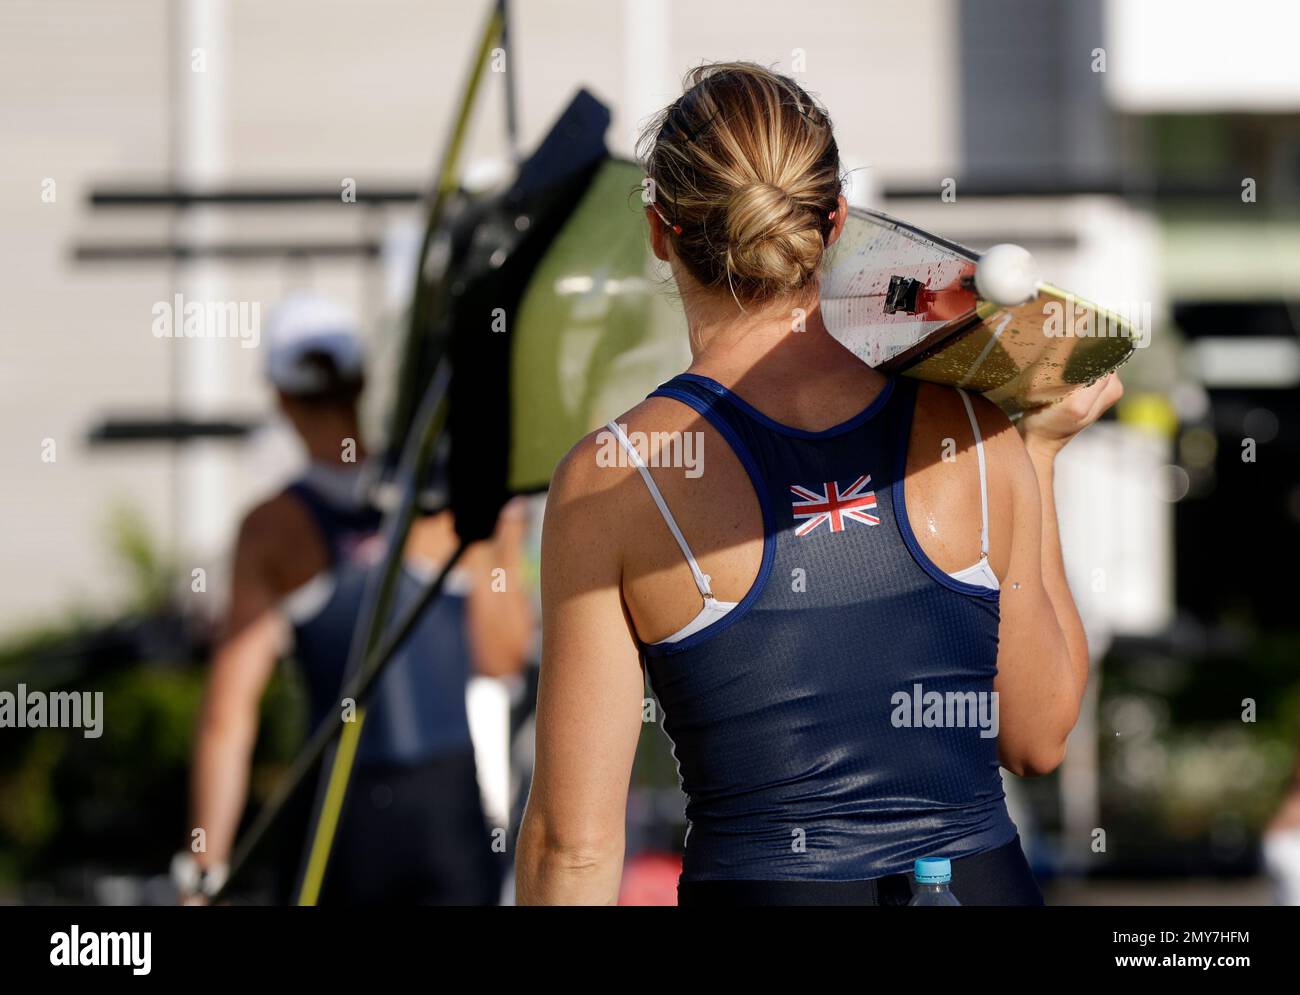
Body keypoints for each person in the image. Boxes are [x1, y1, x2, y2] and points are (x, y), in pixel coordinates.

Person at [516, 63, 1122, 906]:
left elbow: (573, 849)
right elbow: (1039, 735)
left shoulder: (616, 479)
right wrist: (1040, 454)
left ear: (659, 230)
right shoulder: (974, 432)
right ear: (836, 220)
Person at [179, 293, 532, 905]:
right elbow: (502, 661)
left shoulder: (272, 530)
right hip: (447, 821)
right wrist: (504, 540)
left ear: (280, 397)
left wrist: (203, 866)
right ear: (363, 381)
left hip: (341, 822)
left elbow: (227, 719)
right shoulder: (444, 505)